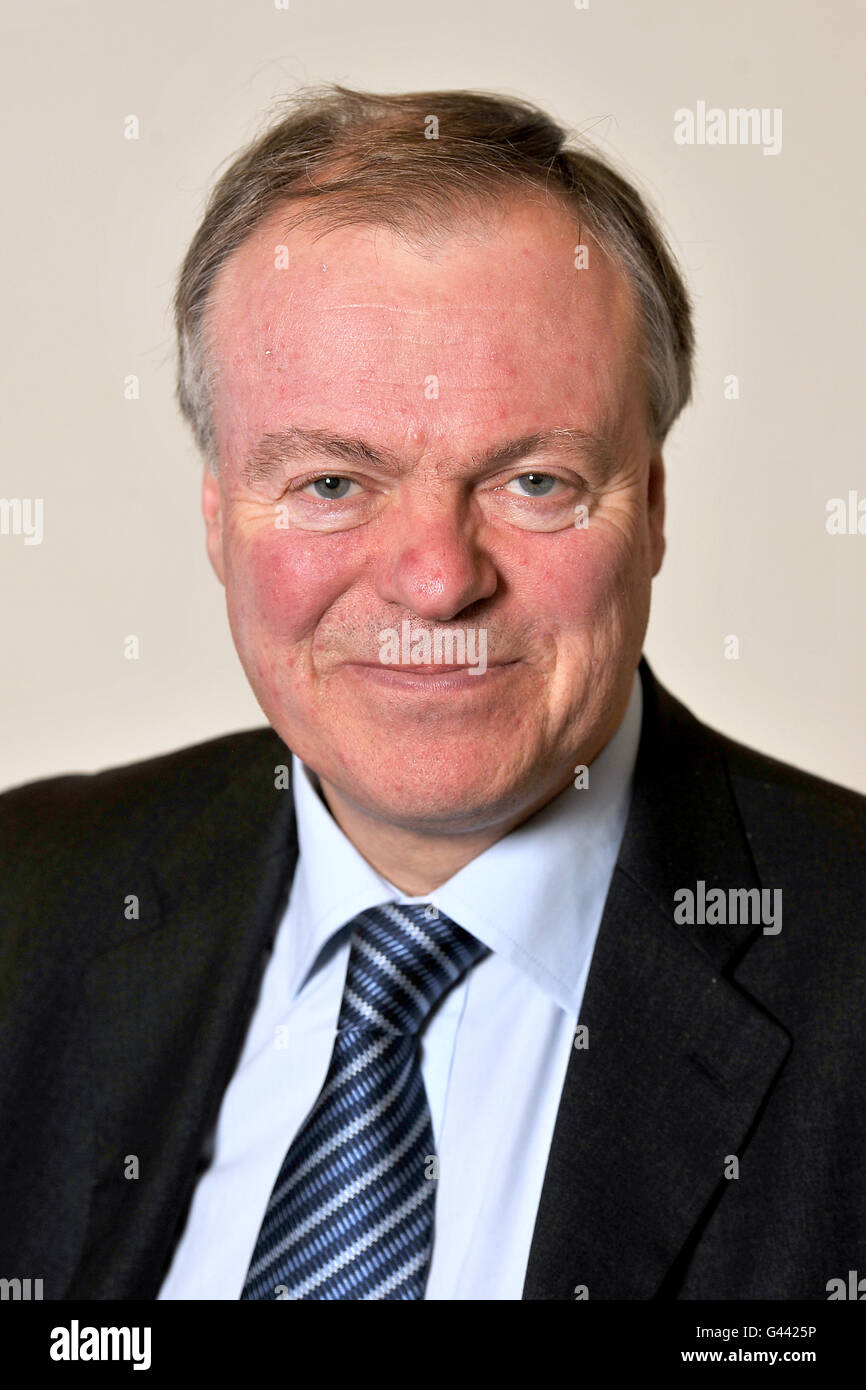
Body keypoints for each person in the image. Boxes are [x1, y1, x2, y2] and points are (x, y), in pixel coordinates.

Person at [1, 85, 863, 1302]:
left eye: (533, 480)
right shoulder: (27, 898)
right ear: (217, 516)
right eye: (330, 482)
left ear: (654, 508)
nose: (437, 579)